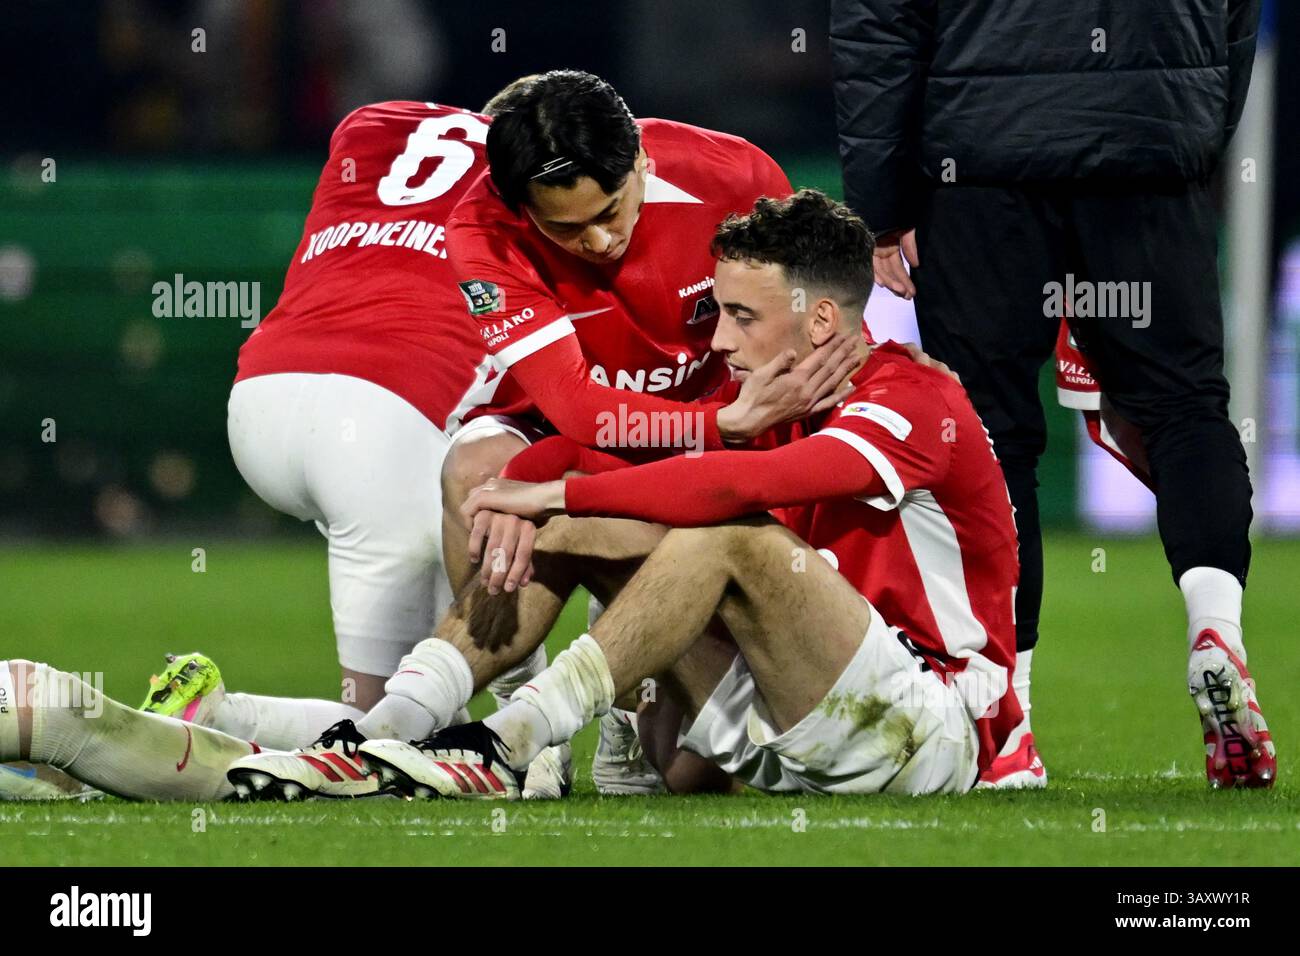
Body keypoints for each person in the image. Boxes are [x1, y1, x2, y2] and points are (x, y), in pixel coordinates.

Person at [248, 190, 1022, 799]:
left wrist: (554, 492)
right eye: (718, 311)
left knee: (727, 533)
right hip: (805, 706)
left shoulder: (911, 400)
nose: (717, 340)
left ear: (821, 319)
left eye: (742, 316)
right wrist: (533, 489)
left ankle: (512, 738)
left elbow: (734, 485)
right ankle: (396, 728)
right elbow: (598, 456)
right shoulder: (774, 398)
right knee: (585, 530)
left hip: (934, 731)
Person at [830, 0, 1274, 788]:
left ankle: (1010, 721)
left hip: (982, 164)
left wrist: (879, 204)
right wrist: (1193, 134)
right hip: (1148, 149)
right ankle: (1216, 630)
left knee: (991, 438)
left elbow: (878, 26)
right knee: (1185, 409)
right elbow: (1237, 18)